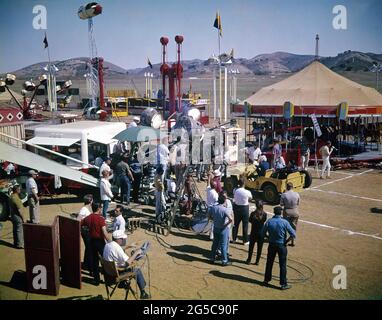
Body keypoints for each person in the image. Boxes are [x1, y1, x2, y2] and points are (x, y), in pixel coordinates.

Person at [103, 230, 150, 299]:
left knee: (131, 264)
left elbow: (118, 248)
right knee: (137, 270)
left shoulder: (108, 244)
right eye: (122, 239)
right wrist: (136, 253)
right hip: (116, 274)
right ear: (118, 239)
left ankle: (122, 283)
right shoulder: (117, 249)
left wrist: (129, 246)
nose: (123, 240)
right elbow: (127, 263)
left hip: (108, 271)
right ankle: (143, 293)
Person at [262, 206, 296, 290]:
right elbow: (293, 234)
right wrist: (286, 241)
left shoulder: (269, 221)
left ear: (274, 212)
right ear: (280, 213)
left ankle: (266, 280)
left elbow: (262, 233)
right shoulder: (284, 222)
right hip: (281, 245)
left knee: (269, 263)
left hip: (272, 245)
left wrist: (268, 238)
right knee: (282, 265)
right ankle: (283, 283)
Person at [81, 202, 110, 285]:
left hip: (91, 242)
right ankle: (108, 278)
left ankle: (96, 280)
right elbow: (104, 233)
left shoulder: (88, 218)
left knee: (95, 261)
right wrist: (111, 243)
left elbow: (80, 223)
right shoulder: (101, 219)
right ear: (99, 208)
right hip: (100, 242)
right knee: (105, 260)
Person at [208, 192, 233, 266]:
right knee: (223, 245)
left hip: (216, 227)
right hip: (223, 229)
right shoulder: (225, 210)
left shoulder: (214, 208)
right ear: (224, 201)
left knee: (215, 244)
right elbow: (231, 219)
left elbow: (209, 216)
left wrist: (213, 220)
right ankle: (224, 260)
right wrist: (225, 225)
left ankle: (212, 258)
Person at [246, 200, 267, 265]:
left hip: (253, 232)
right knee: (259, 247)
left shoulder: (253, 213)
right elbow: (263, 220)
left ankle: (249, 260)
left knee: (251, 247)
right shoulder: (264, 214)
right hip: (261, 233)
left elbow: (250, 220)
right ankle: (257, 261)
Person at [232, 178, 253, 245]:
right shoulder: (247, 192)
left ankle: (234, 239)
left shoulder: (235, 190)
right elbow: (250, 198)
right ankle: (245, 240)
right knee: (245, 225)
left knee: (236, 224)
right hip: (244, 208)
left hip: (237, 207)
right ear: (244, 183)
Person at [280, 182, 300, 247]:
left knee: (285, 227)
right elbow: (298, 204)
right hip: (295, 212)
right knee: (293, 227)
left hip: (287, 212)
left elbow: (281, 204)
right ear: (292, 187)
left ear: (286, 187)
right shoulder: (297, 194)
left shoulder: (284, 195)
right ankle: (292, 241)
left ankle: (284, 240)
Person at [78, 194, 93, 272]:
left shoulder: (86, 208)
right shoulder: (84, 209)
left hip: (86, 230)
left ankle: (86, 264)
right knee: (89, 247)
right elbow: (79, 219)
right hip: (86, 231)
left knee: (88, 248)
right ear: (90, 201)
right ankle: (89, 265)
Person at [9, 185, 25, 249]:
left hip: (13, 215)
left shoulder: (11, 196)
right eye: (19, 189)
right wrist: (23, 219)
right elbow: (20, 210)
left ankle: (16, 243)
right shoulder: (16, 198)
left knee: (15, 230)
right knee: (19, 231)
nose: (20, 190)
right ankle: (20, 245)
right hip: (17, 216)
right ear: (17, 190)